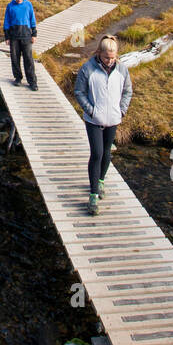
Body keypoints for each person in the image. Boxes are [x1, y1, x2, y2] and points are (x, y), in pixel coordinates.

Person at [74, 34, 132, 214]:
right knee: (97, 153)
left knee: (107, 152)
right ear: (99, 53)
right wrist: (91, 110)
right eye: (107, 57)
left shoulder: (122, 69)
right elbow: (79, 91)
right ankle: (92, 196)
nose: (109, 61)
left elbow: (127, 91)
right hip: (94, 120)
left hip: (113, 119)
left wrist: (121, 110)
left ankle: (101, 181)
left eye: (113, 57)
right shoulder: (88, 68)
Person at [3, 0, 38, 90]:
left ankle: (32, 82)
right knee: (14, 58)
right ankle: (18, 78)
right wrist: (7, 37)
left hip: (26, 36)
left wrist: (34, 34)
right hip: (14, 37)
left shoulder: (28, 5)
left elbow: (32, 19)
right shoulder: (10, 6)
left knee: (28, 59)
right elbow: (6, 21)